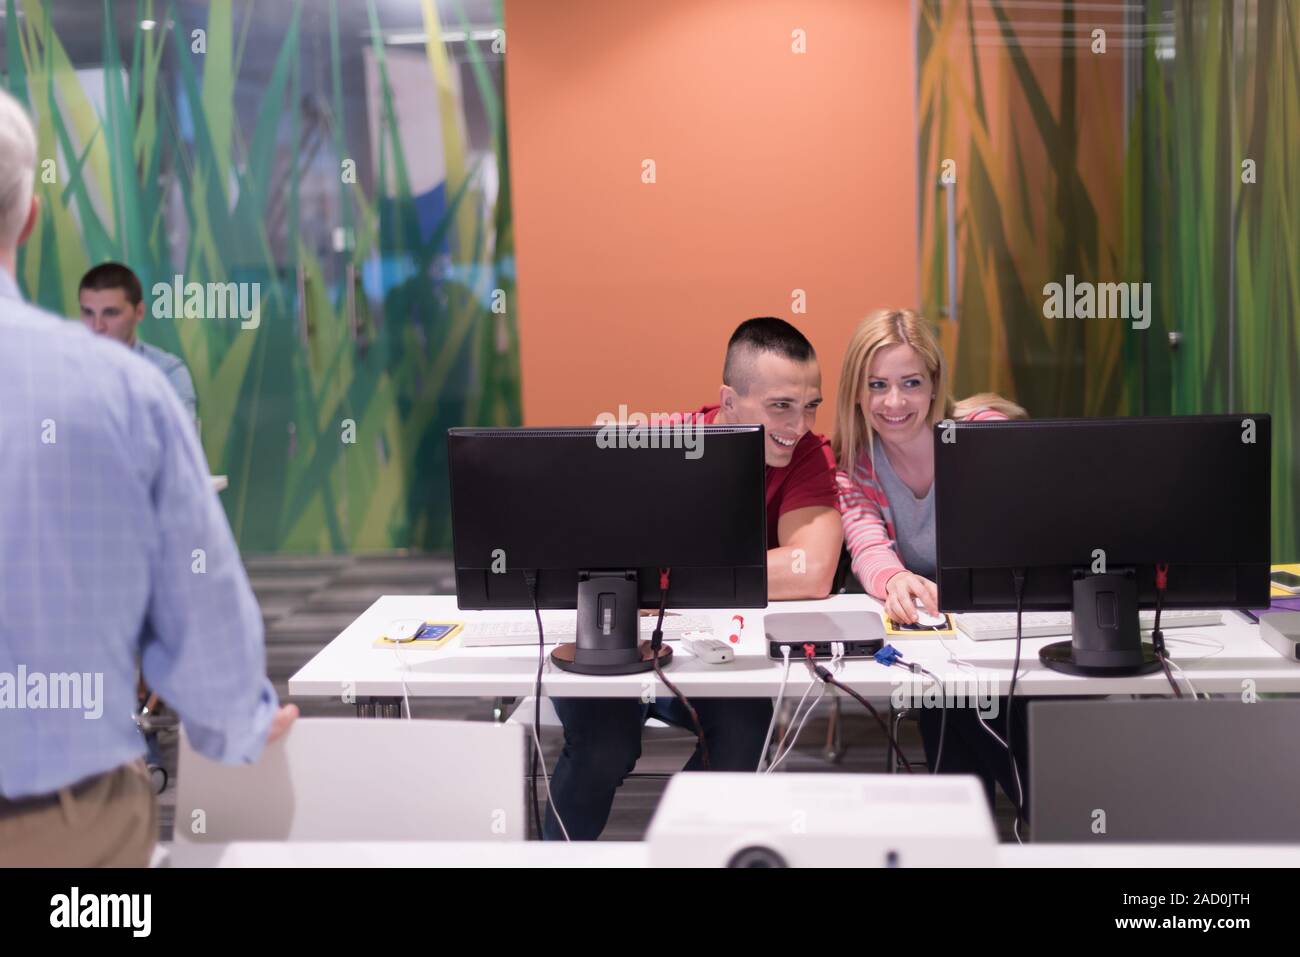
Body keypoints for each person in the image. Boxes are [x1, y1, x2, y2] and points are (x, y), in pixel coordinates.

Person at [0, 87, 295, 867]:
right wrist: (236, 719)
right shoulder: (121, 392)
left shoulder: (146, 380)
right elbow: (200, 606)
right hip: (62, 823)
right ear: (28, 219)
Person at [545, 317, 843, 840]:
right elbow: (593, 567)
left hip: (715, 648)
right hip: (620, 637)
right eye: (781, 406)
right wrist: (717, 574)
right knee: (603, 746)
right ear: (729, 401)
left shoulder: (809, 454)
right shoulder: (660, 445)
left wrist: (665, 573)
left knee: (742, 733)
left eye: (810, 405)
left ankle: (676, 849)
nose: (799, 425)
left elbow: (811, 571)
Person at [832, 309, 1027, 809]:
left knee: (960, 704)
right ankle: (1029, 823)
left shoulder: (984, 436)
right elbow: (867, 544)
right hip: (937, 636)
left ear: (935, 384)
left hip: (1007, 623)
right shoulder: (855, 461)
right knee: (945, 701)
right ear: (856, 390)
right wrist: (895, 579)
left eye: (911, 383)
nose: (894, 402)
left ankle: (1040, 821)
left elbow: (1028, 532)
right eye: (877, 384)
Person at [79, 261, 198, 421]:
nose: (97, 326)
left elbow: (176, 440)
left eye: (111, 313)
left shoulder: (167, 373)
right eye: (88, 312)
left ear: (139, 312)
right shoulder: (62, 370)